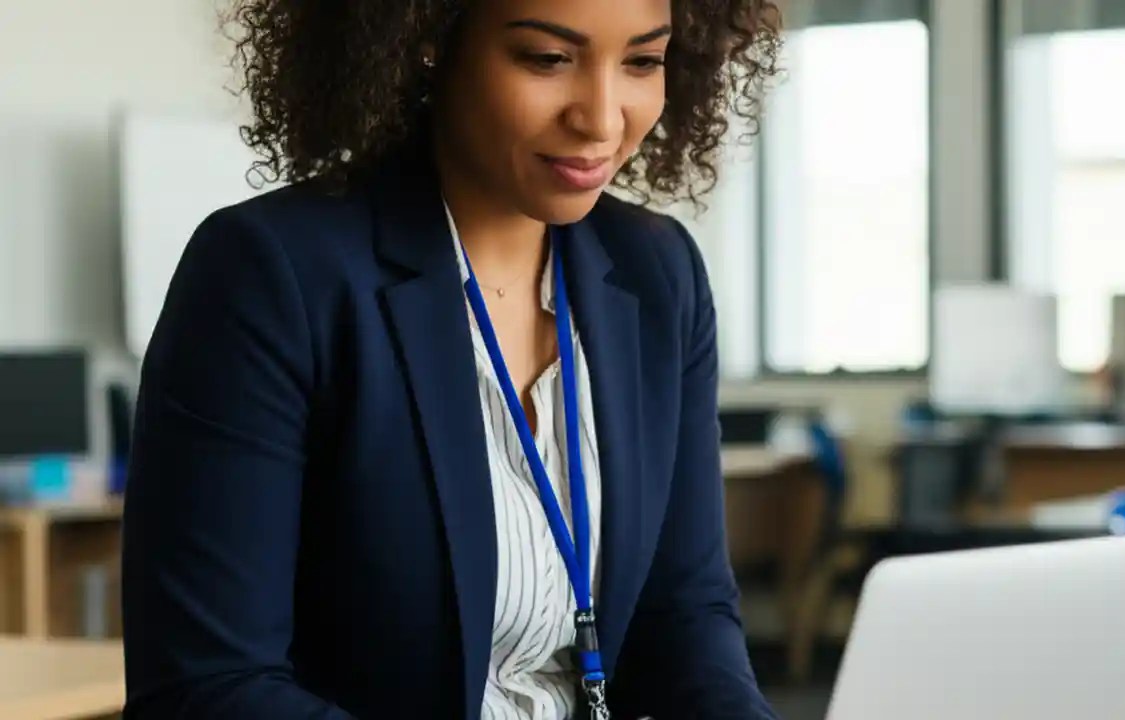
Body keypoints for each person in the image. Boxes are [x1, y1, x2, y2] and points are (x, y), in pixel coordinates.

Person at [121, 0, 782, 717]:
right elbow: (208, 687)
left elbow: (686, 617)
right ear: (430, 41)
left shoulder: (658, 274)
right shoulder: (272, 275)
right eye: (548, 60)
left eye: (642, 62)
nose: (602, 117)